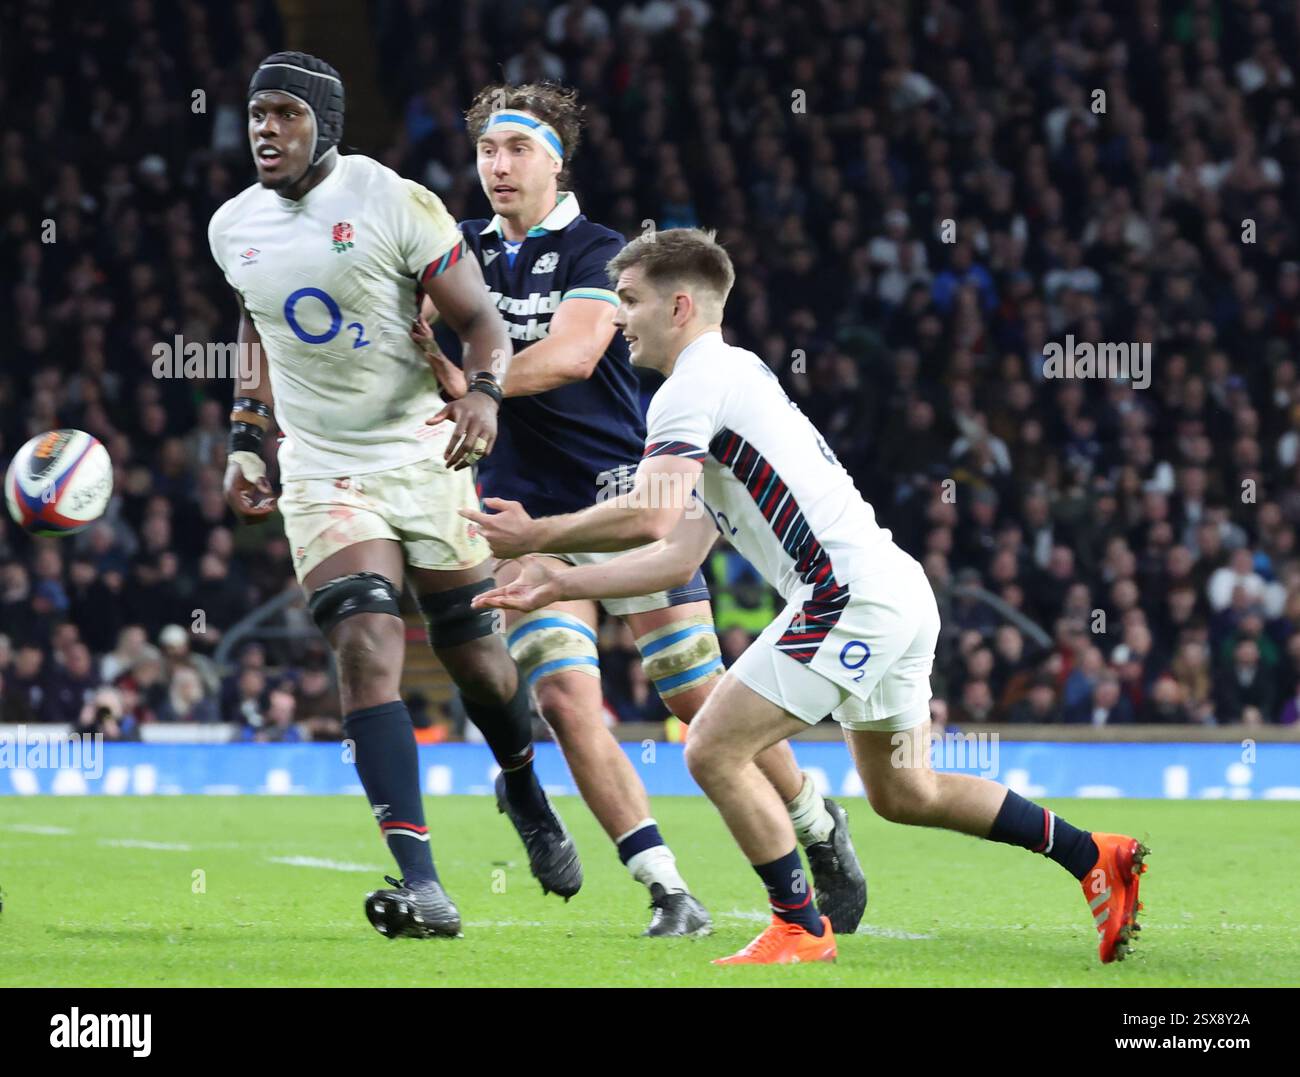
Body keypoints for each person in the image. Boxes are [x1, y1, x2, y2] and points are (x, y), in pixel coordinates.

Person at [468, 228, 1149, 966]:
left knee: (712, 747)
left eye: (629, 300)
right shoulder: (734, 376)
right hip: (893, 588)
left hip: (846, 597)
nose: (619, 318)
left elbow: (649, 514)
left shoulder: (688, 389)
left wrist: (537, 532)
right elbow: (676, 551)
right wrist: (559, 576)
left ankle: (798, 923)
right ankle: (1093, 854)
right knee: (904, 791)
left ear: (681, 306)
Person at [411, 83, 865, 936]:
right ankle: (668, 889)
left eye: (517, 149)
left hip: (629, 490)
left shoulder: (598, 249)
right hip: (520, 508)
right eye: (486, 152)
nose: (497, 166)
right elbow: (404, 331)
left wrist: (469, 380)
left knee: (697, 696)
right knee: (569, 701)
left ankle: (817, 823)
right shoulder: (456, 251)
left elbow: (577, 354)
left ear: (556, 160)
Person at [208, 52, 580, 941]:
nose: (265, 130)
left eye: (286, 114)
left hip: (425, 452)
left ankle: (522, 782)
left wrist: (484, 394)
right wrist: (247, 434)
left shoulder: (393, 200)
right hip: (324, 466)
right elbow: (255, 318)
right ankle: (423, 884)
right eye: (257, 113)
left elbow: (482, 320)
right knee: (366, 642)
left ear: (325, 123)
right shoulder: (232, 226)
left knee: (479, 663)